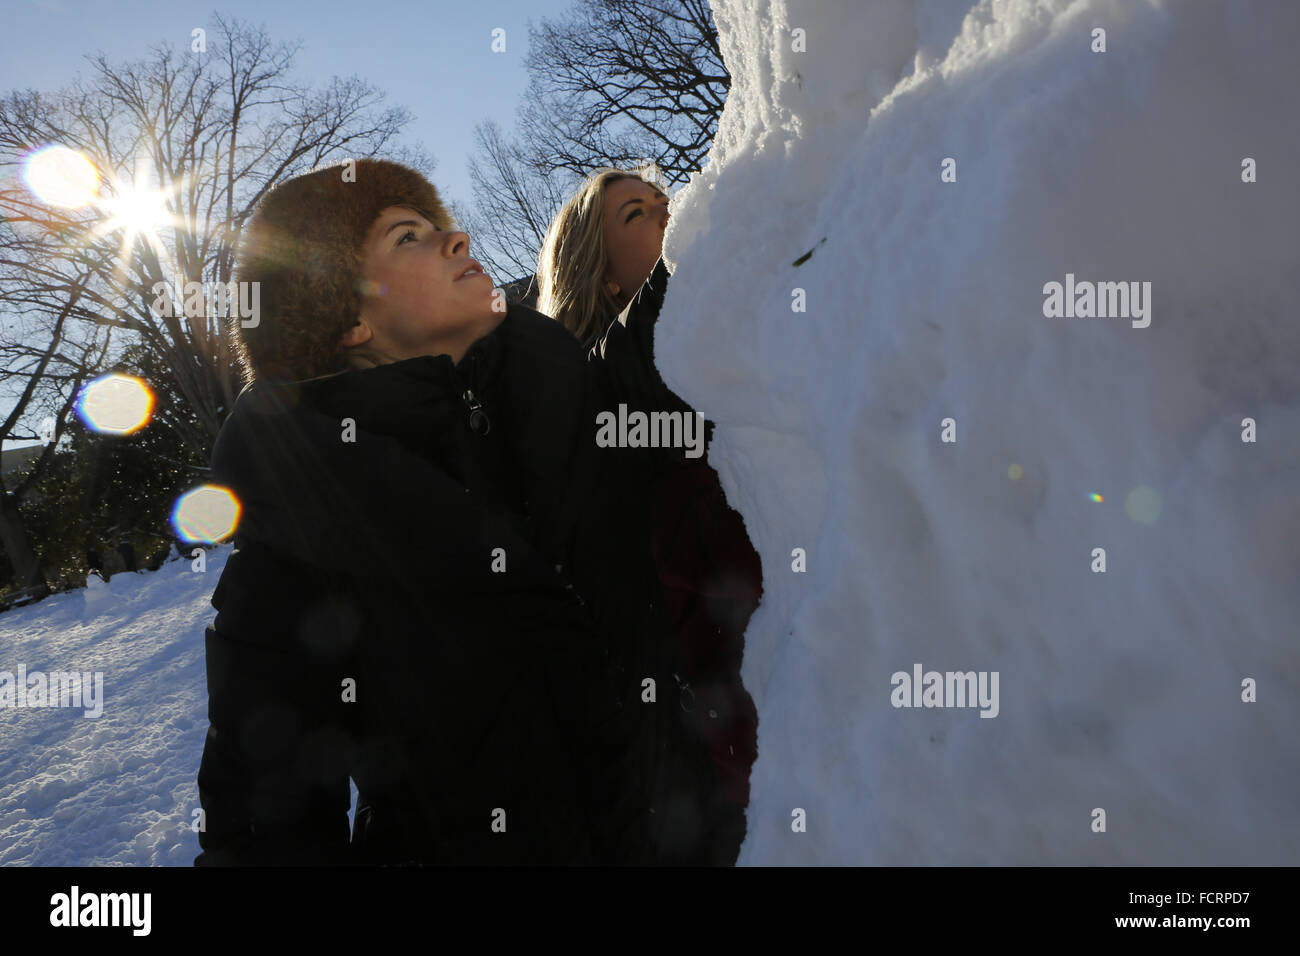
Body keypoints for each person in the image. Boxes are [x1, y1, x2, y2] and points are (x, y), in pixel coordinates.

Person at [194, 158, 710, 866]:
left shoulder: (572, 396)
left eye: (440, 226)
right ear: (347, 321)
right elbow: (263, 828)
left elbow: (691, 311)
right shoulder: (300, 537)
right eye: (409, 238)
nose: (457, 240)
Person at [537, 168, 764, 865]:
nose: (670, 215)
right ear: (602, 277)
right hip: (709, 783)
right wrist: (709, 232)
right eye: (639, 213)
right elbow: (630, 367)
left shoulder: (729, 345)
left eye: (668, 203)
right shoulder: (587, 401)